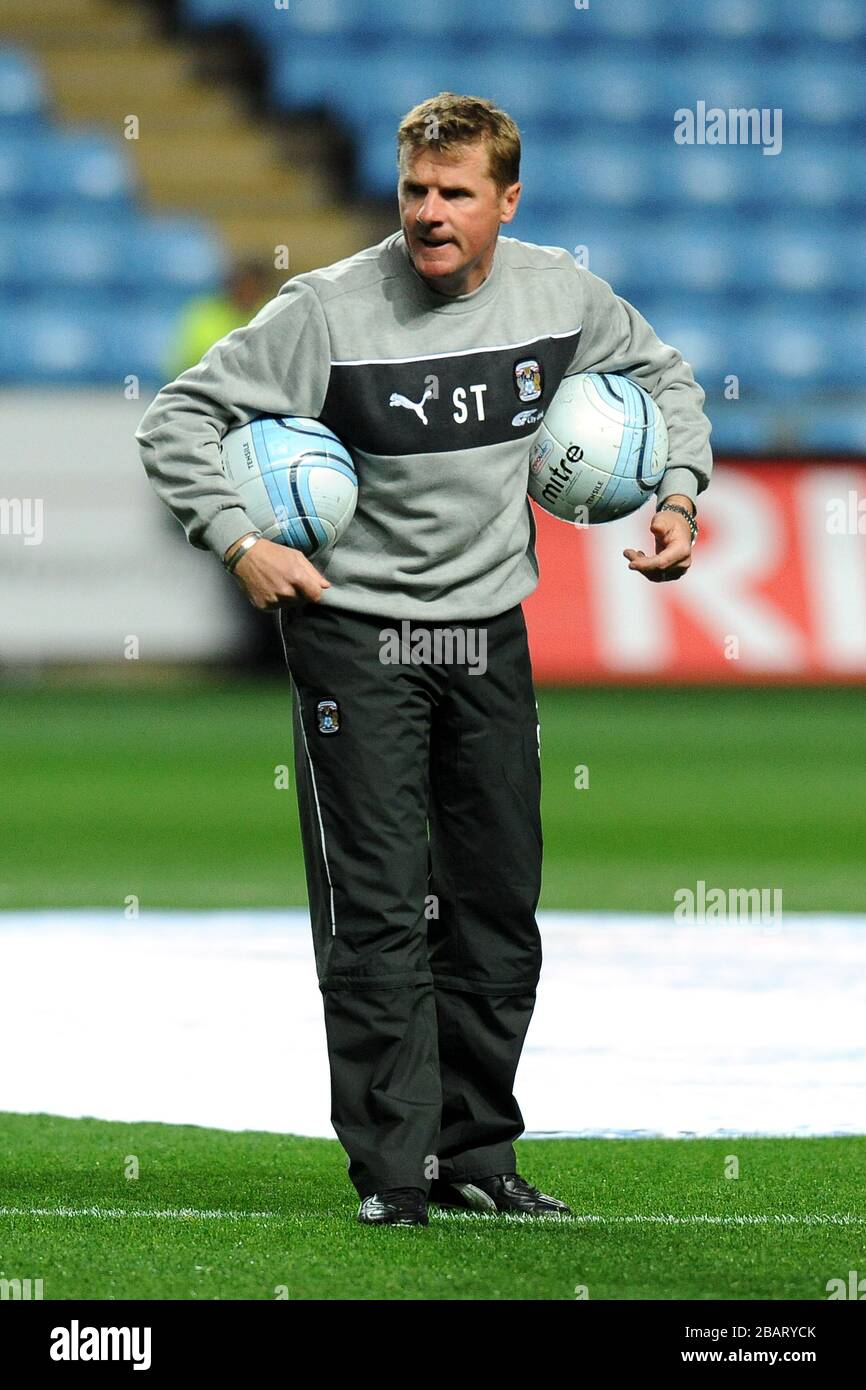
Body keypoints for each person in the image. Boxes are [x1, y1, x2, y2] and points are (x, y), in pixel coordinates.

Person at [135, 92, 712, 1228]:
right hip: (357, 635)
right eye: (414, 191)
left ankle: (477, 1153)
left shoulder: (561, 295)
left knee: (496, 900)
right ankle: (393, 1173)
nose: (430, 213)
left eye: (455, 193)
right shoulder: (328, 310)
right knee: (382, 905)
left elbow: (666, 382)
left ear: (506, 198)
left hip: (486, 631)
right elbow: (176, 420)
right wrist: (241, 540)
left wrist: (679, 495)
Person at [162, 258, 274, 383]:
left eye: (254, 287)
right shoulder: (204, 313)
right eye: (244, 286)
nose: (248, 292)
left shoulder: (271, 316)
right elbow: (186, 364)